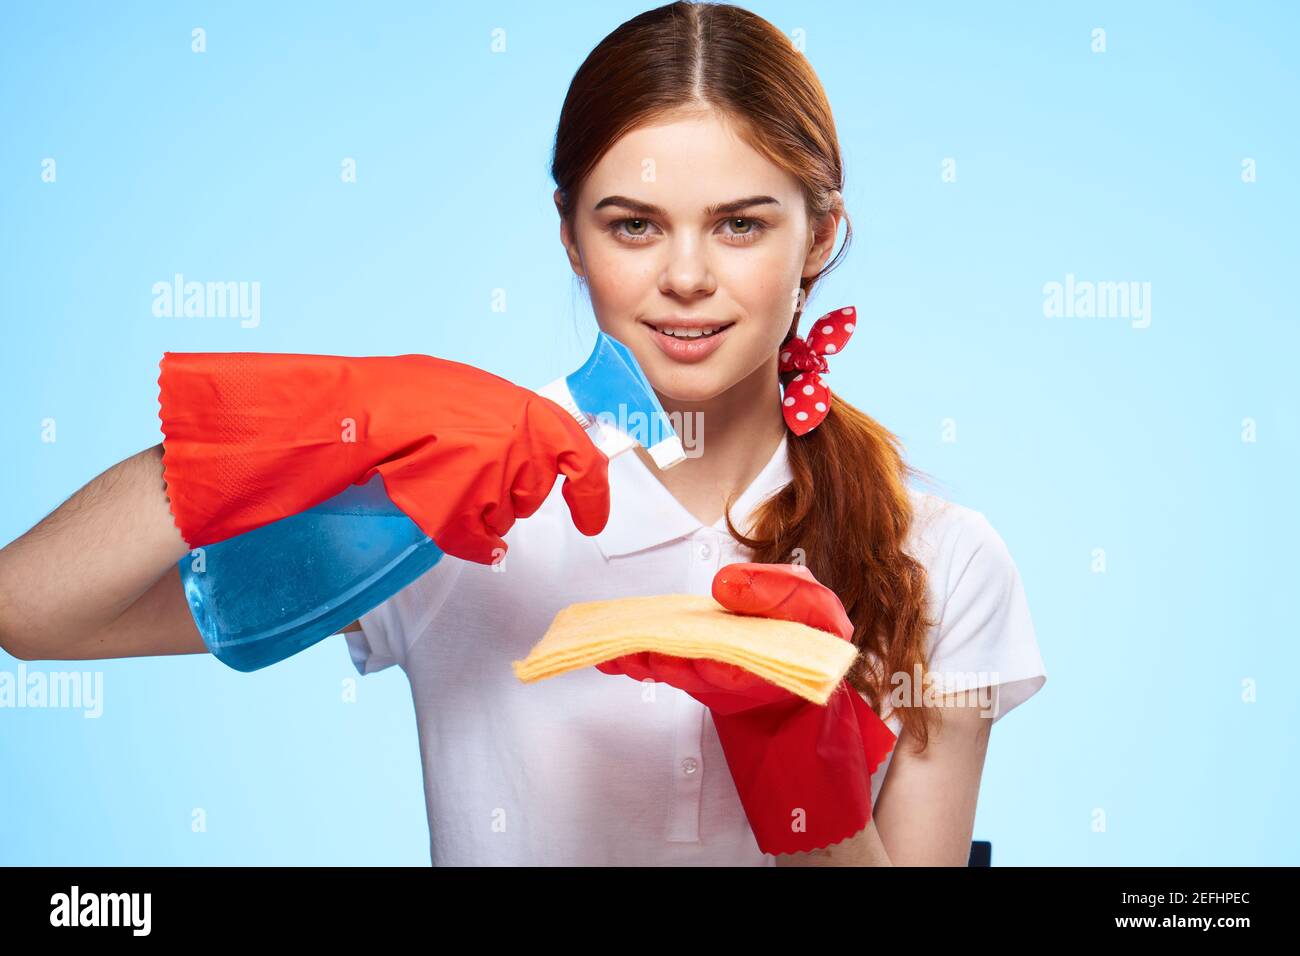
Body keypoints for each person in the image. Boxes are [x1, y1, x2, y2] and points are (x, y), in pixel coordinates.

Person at [0, 1, 1046, 866]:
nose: (685, 274)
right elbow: (34, 610)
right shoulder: (465, 505)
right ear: (568, 233)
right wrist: (319, 424)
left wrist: (806, 793)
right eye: (632, 223)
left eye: (741, 222)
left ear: (819, 234)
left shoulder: (942, 556)